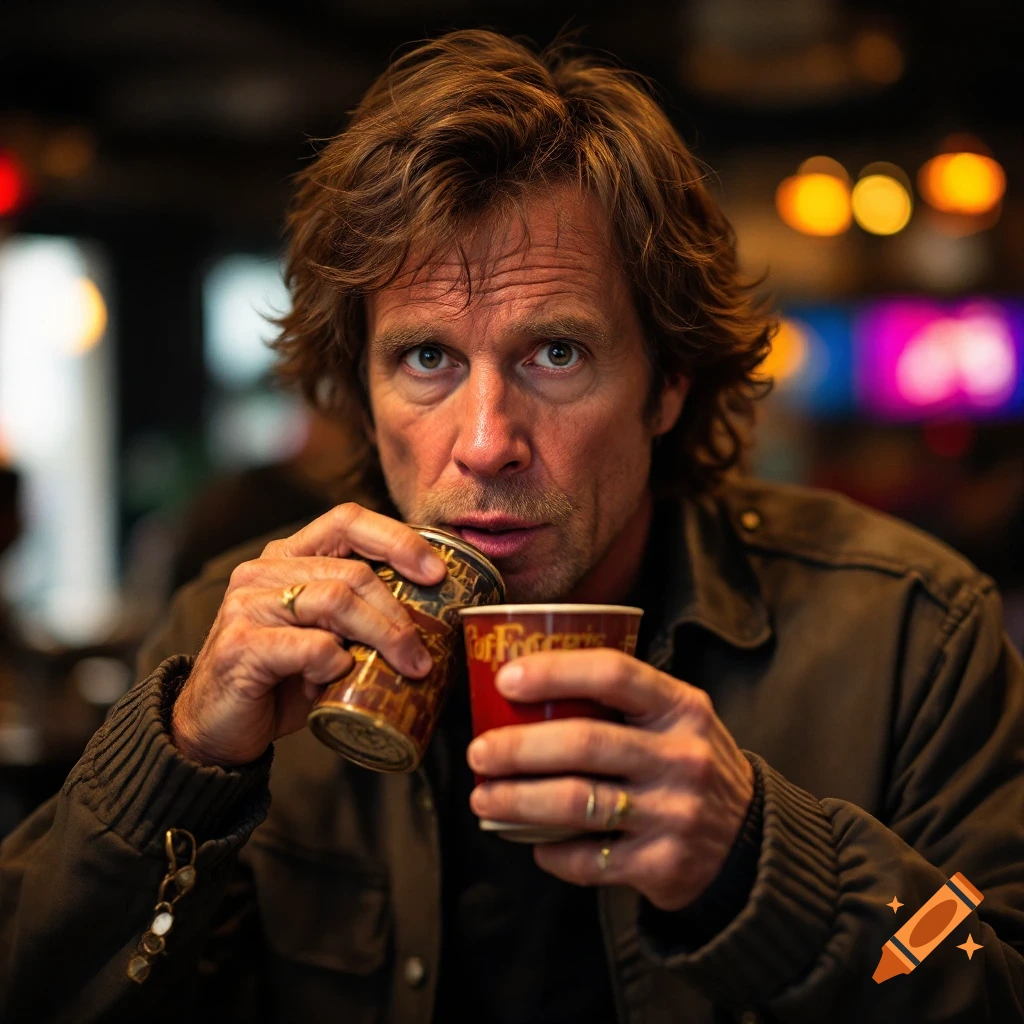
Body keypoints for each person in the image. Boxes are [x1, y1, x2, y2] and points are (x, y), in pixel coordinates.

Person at [2, 29, 1023, 1024]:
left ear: (667, 381)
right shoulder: (241, 634)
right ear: (360, 392)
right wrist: (177, 768)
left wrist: (761, 860)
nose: (485, 441)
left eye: (556, 355)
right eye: (427, 360)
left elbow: (994, 971)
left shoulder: (907, 631)